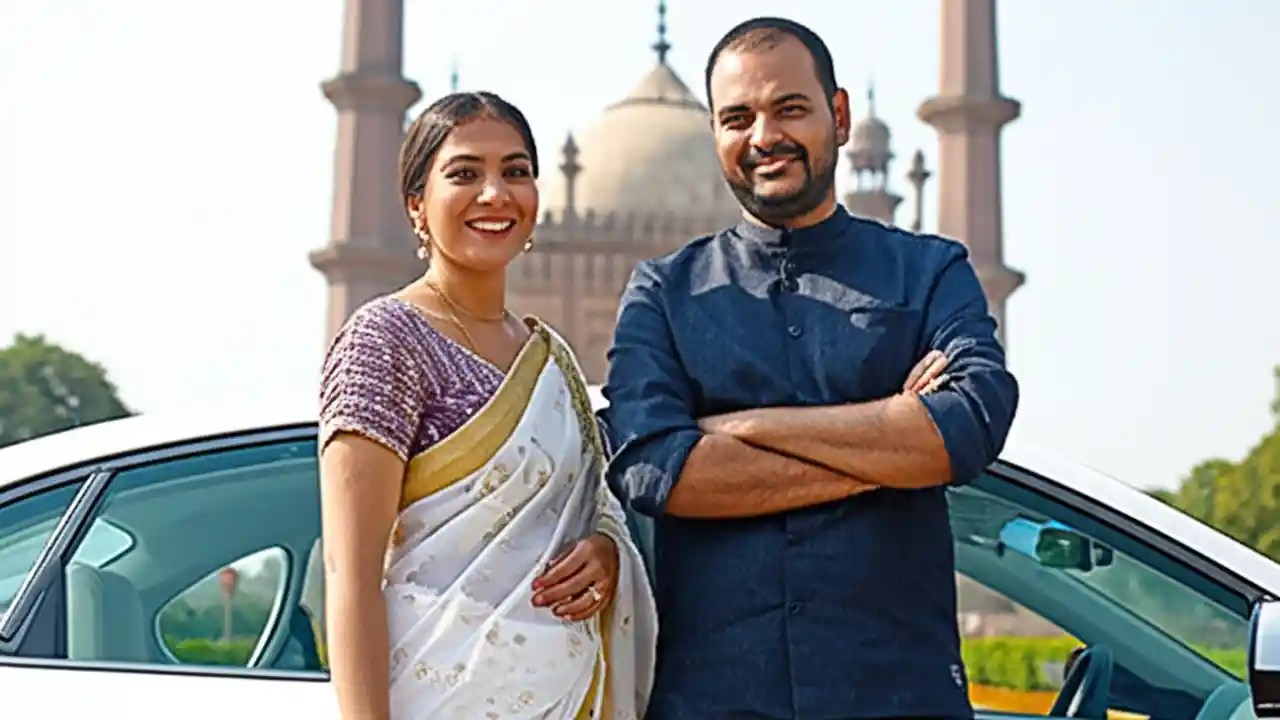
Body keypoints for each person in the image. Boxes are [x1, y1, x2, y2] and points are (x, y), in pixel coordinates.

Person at [600, 16, 1019, 720]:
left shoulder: (926, 271)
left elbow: (971, 422)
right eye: (738, 117)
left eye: (790, 108)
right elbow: (652, 467)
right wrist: (893, 444)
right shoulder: (666, 294)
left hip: (896, 699)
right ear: (715, 135)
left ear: (841, 116)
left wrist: (741, 430)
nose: (764, 136)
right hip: (717, 703)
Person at [318, 91, 657, 720]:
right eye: (465, 173)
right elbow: (351, 575)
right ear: (416, 204)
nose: (495, 193)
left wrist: (607, 555)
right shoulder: (386, 339)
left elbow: (596, 509)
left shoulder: (551, 360)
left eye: (516, 172)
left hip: (565, 698)